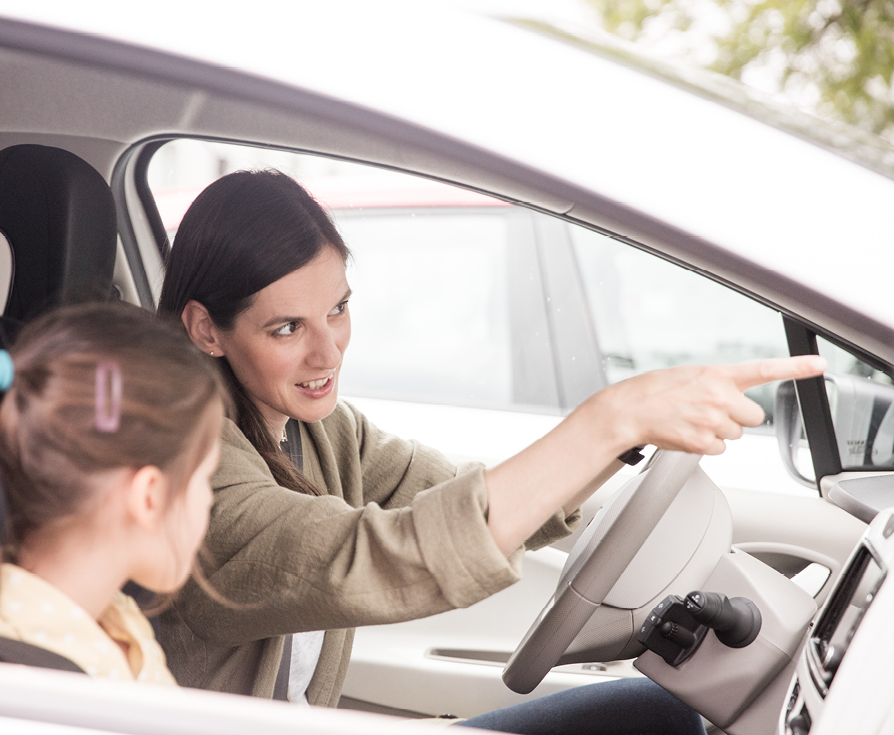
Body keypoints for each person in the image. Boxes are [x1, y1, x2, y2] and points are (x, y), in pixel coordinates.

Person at [156, 169, 825, 731]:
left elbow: (469, 492)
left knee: (654, 712)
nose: (327, 351)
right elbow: (385, 558)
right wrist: (609, 420)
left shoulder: (318, 430)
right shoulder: (187, 476)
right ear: (206, 329)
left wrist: (627, 438)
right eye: (286, 327)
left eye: (338, 308)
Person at [0, 304, 229, 684]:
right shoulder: (25, 678)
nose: (209, 499)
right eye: (204, 479)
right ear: (149, 497)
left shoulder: (114, 618)